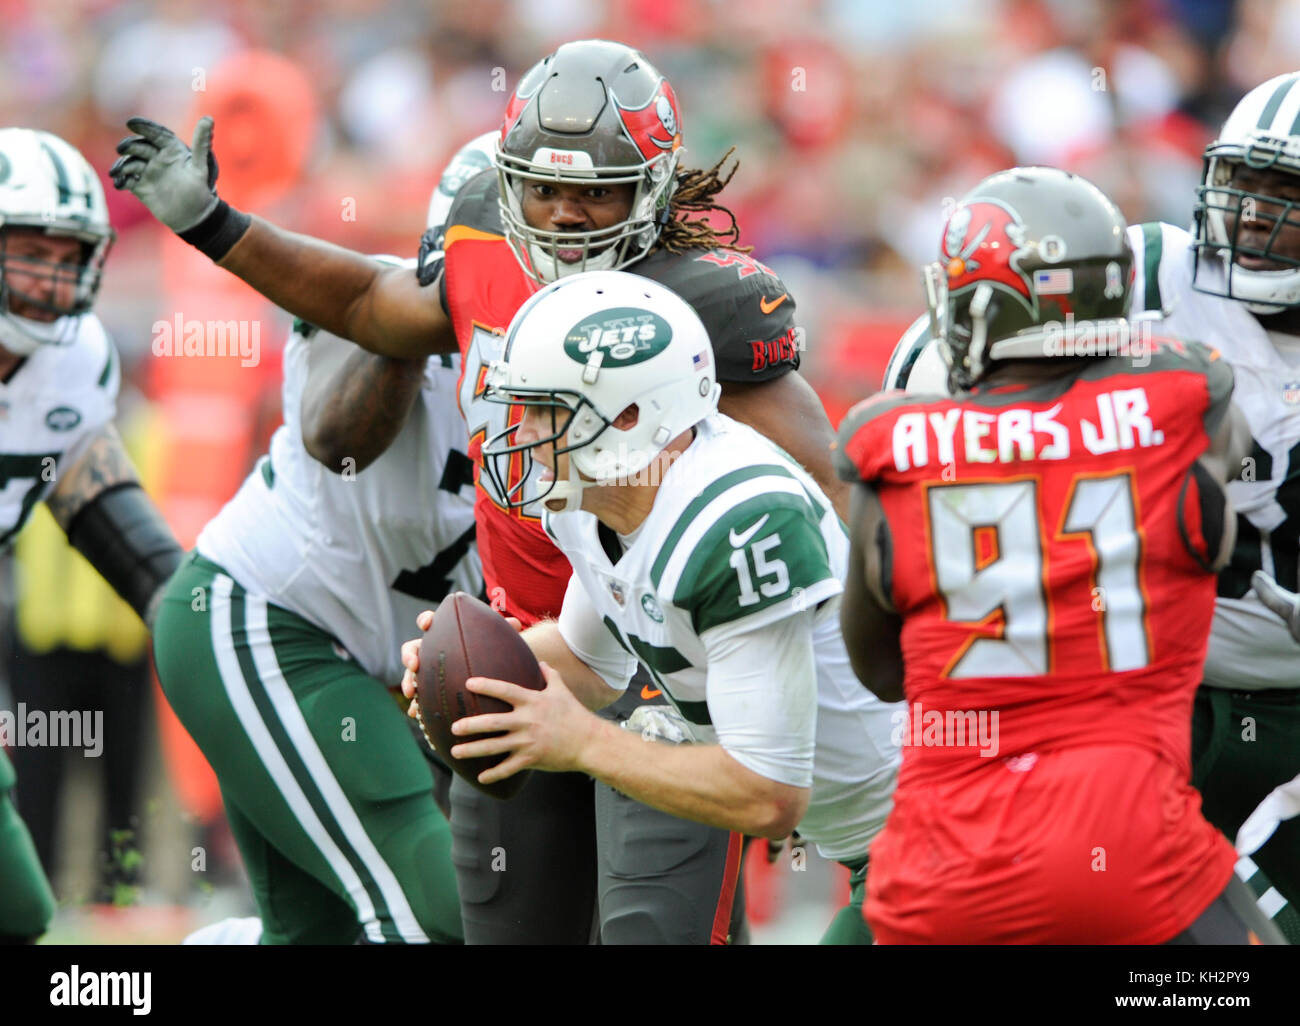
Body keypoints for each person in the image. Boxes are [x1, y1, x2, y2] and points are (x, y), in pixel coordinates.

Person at [112, 39, 845, 944]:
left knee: (649, 930)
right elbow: (374, 304)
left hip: (661, 674)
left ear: (651, 188)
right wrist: (220, 227)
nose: (567, 215)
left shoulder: (702, 307)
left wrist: (794, 678)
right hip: (529, 651)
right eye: (543, 187)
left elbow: (830, 486)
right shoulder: (478, 240)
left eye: (596, 191)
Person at [883, 76, 1300, 942]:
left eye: (1288, 195)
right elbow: (942, 359)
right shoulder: (1147, 270)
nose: (1255, 214)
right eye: (1247, 185)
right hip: (1127, 688)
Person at [401, 269, 900, 943]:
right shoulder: (597, 499)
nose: (522, 432)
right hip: (882, 848)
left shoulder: (736, 521)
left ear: (631, 418)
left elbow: (769, 794)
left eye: (548, 409)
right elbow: (587, 661)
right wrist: (473, 671)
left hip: (942, 844)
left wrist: (579, 741)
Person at [151, 256, 479, 944]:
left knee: (313, 934)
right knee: (433, 910)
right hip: (270, 621)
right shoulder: (380, 303)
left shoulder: (576, 360)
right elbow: (337, 436)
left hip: (386, 667)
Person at [0, 127, 182, 942]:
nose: (50, 277)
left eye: (67, 254)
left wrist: (222, 628)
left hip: (88, 649)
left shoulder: (73, 365)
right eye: (27, 252)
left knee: (21, 908)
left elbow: (139, 556)